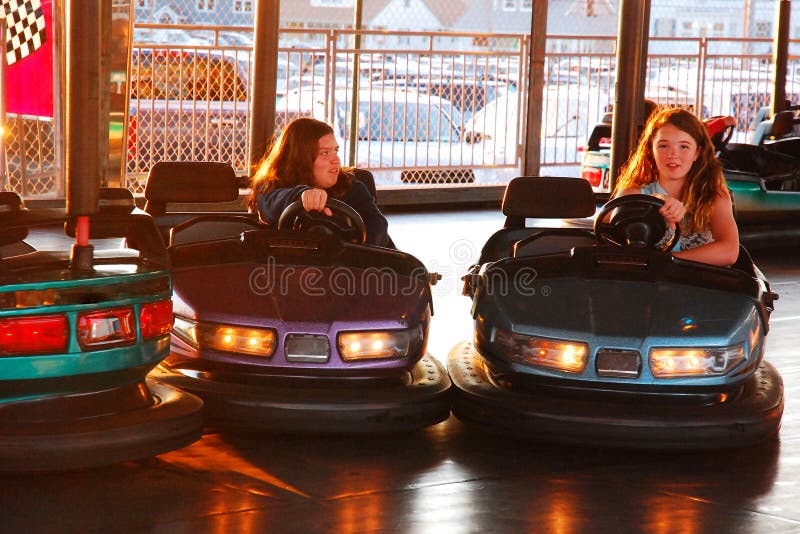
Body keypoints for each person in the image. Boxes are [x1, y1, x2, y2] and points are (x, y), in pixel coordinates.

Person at [611, 106, 740, 266]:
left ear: (697, 153)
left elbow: (729, 251)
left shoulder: (712, 194)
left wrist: (669, 259)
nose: (673, 154)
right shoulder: (633, 191)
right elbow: (607, 224)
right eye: (664, 146)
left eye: (684, 146)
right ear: (651, 149)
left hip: (699, 285)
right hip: (646, 286)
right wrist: (652, 202)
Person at [249, 117, 395, 248]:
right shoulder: (271, 185)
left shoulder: (351, 186)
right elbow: (270, 206)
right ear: (300, 159)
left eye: (335, 151)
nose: (336, 160)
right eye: (325, 153)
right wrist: (301, 195)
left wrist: (357, 246)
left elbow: (378, 227)